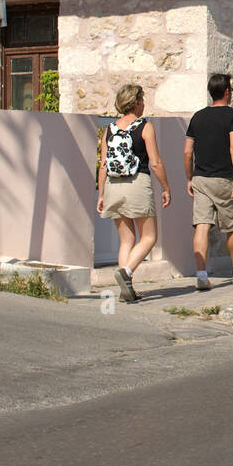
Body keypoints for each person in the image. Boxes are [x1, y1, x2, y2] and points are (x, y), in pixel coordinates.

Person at [98, 84, 171, 303]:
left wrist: (101, 194)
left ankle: (125, 291)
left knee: (126, 240)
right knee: (149, 237)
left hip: (113, 186)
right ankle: (126, 272)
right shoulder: (145, 127)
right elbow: (155, 162)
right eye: (143, 99)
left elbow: (103, 165)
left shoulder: (109, 129)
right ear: (136, 102)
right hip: (137, 183)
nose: (144, 104)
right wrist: (166, 187)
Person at [184, 73, 233, 288]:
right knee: (231, 227)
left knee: (202, 226)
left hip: (201, 179)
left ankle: (202, 276)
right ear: (226, 92)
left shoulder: (197, 117)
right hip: (224, 178)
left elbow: (187, 151)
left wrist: (189, 178)